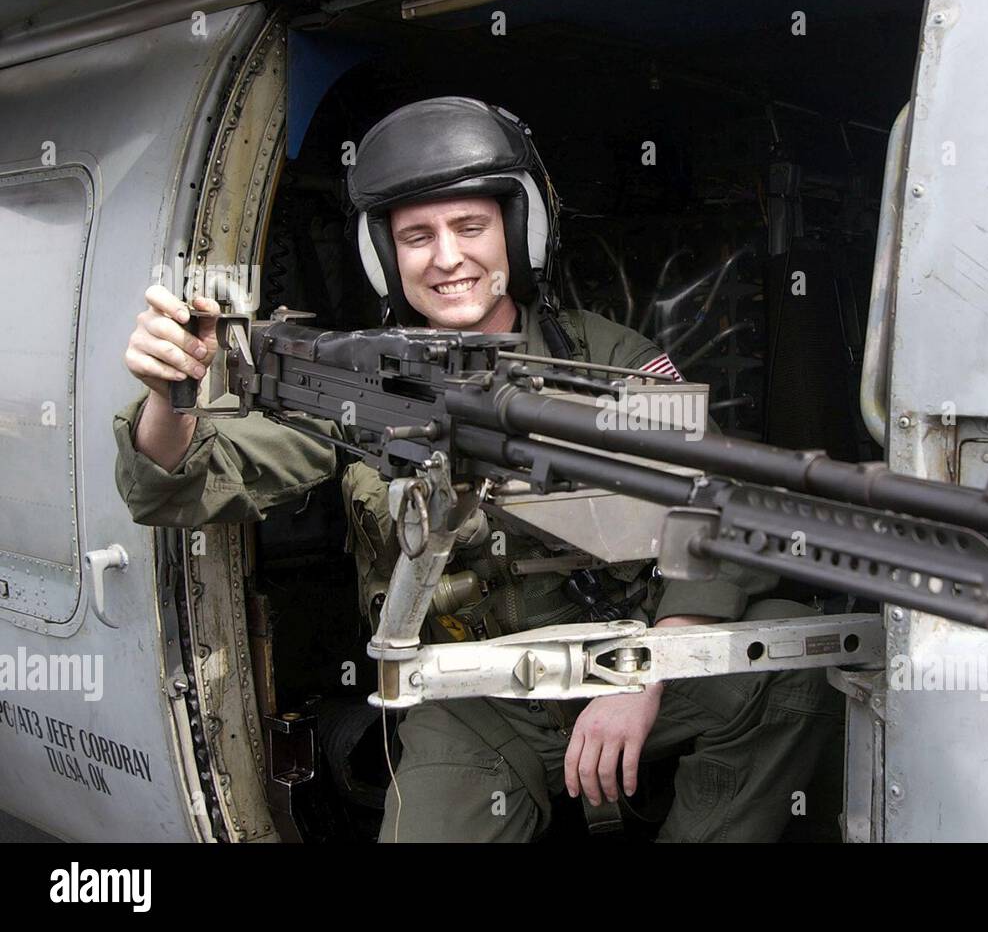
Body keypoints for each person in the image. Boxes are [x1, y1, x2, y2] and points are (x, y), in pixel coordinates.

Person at [114, 96, 840, 842]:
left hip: (618, 659)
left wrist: (647, 667)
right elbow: (176, 480)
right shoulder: (364, 378)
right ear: (384, 257)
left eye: (470, 227)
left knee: (792, 660)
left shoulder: (607, 362)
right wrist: (171, 391)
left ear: (516, 233)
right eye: (417, 236)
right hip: (471, 703)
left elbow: (713, 509)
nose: (448, 258)